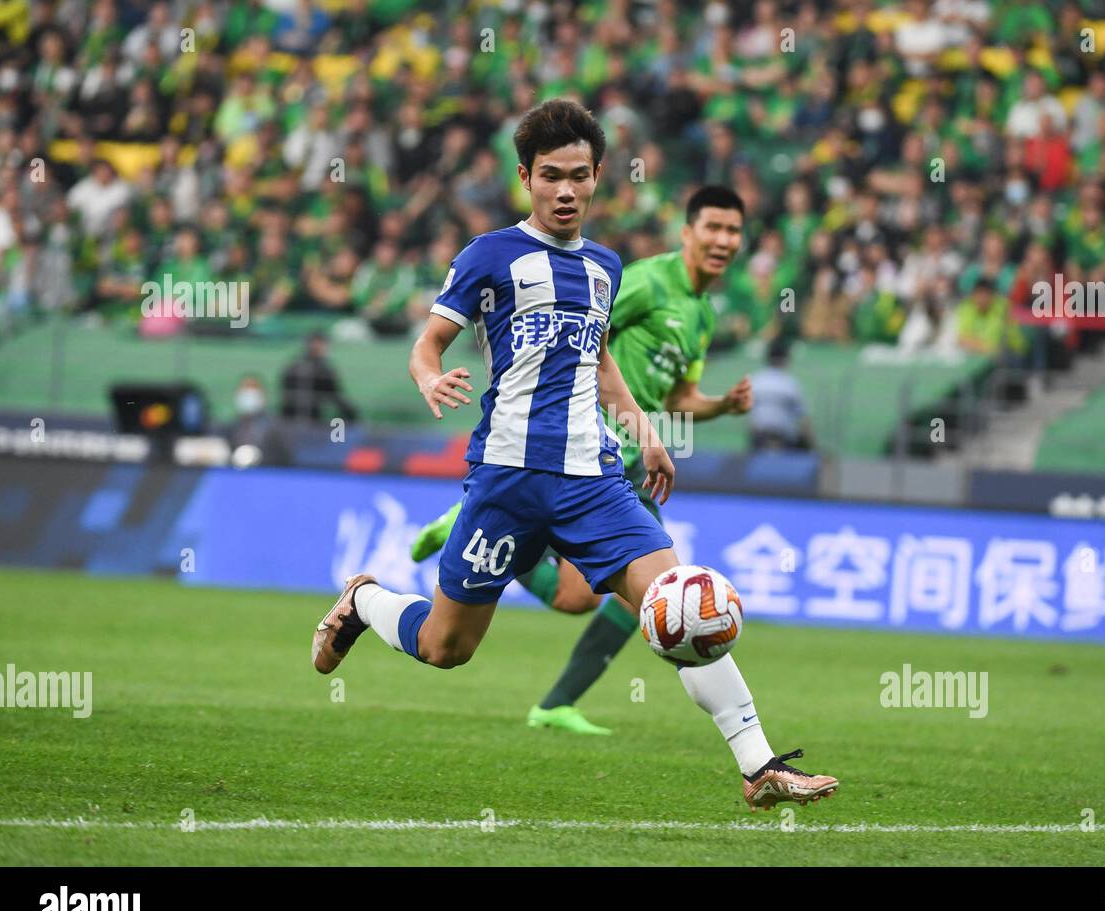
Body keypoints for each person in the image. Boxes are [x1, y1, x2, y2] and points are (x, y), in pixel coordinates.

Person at [310, 100, 837, 811]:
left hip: (594, 478)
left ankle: (758, 764)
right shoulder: (489, 255)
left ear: (597, 181)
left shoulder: (605, 267)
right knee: (445, 648)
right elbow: (426, 343)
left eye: (580, 176)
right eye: (551, 176)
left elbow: (598, 360)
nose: (566, 190)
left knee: (681, 607)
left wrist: (646, 431)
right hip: (507, 478)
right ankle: (364, 599)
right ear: (526, 177)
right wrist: (430, 376)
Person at [410, 184, 757, 736]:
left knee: (582, 598)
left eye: (733, 231)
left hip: (627, 455)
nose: (723, 240)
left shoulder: (702, 316)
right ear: (687, 232)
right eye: (712, 227)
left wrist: (719, 406)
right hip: (587, 450)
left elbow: (677, 400)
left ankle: (550, 684)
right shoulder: (644, 280)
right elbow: (578, 342)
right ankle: (559, 695)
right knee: (671, 598)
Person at [749, 336, 814, 451]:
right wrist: (813, 446)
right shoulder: (790, 383)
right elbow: (803, 419)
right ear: (786, 359)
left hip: (758, 438)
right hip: (784, 439)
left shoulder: (755, 380)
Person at [279, 331, 359, 423]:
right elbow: (336, 397)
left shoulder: (293, 365)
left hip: (291, 419)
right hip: (307, 421)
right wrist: (352, 414)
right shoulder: (321, 370)